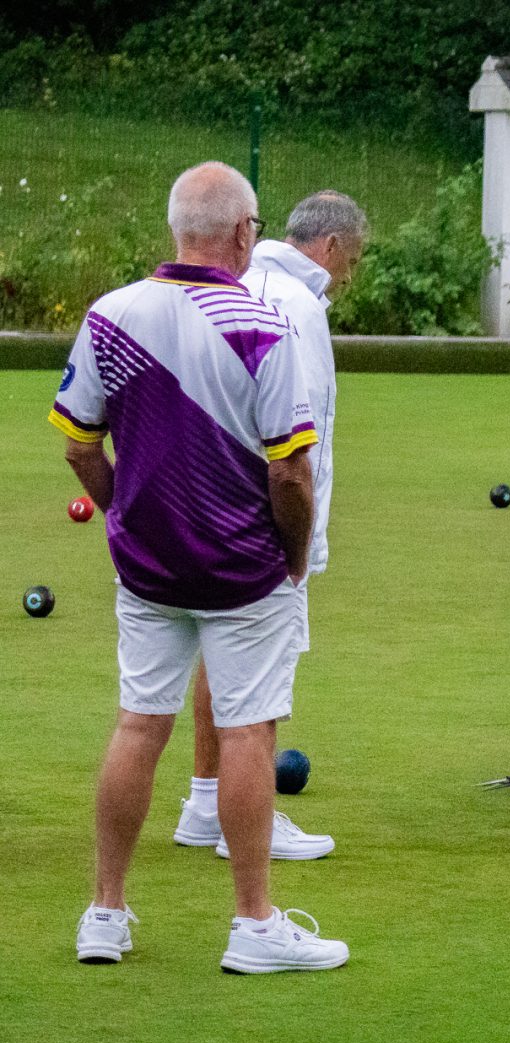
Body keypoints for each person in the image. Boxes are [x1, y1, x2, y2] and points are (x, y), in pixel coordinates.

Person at [54, 162, 348, 973]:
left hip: (147, 569)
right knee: (248, 731)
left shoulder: (109, 315)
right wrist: (293, 558)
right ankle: (254, 927)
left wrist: (122, 513)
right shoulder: (263, 325)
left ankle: (104, 915)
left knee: (138, 724)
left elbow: (80, 439)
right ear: (244, 232)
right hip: (243, 571)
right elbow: (289, 473)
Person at [171, 191, 368, 861]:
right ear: (334, 248)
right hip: (266, 521)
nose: (351, 274)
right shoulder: (300, 307)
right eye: (355, 259)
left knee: (218, 657)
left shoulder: (244, 279)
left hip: (212, 510)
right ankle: (248, 824)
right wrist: (299, 540)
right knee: (262, 675)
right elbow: (295, 436)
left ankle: (205, 804)